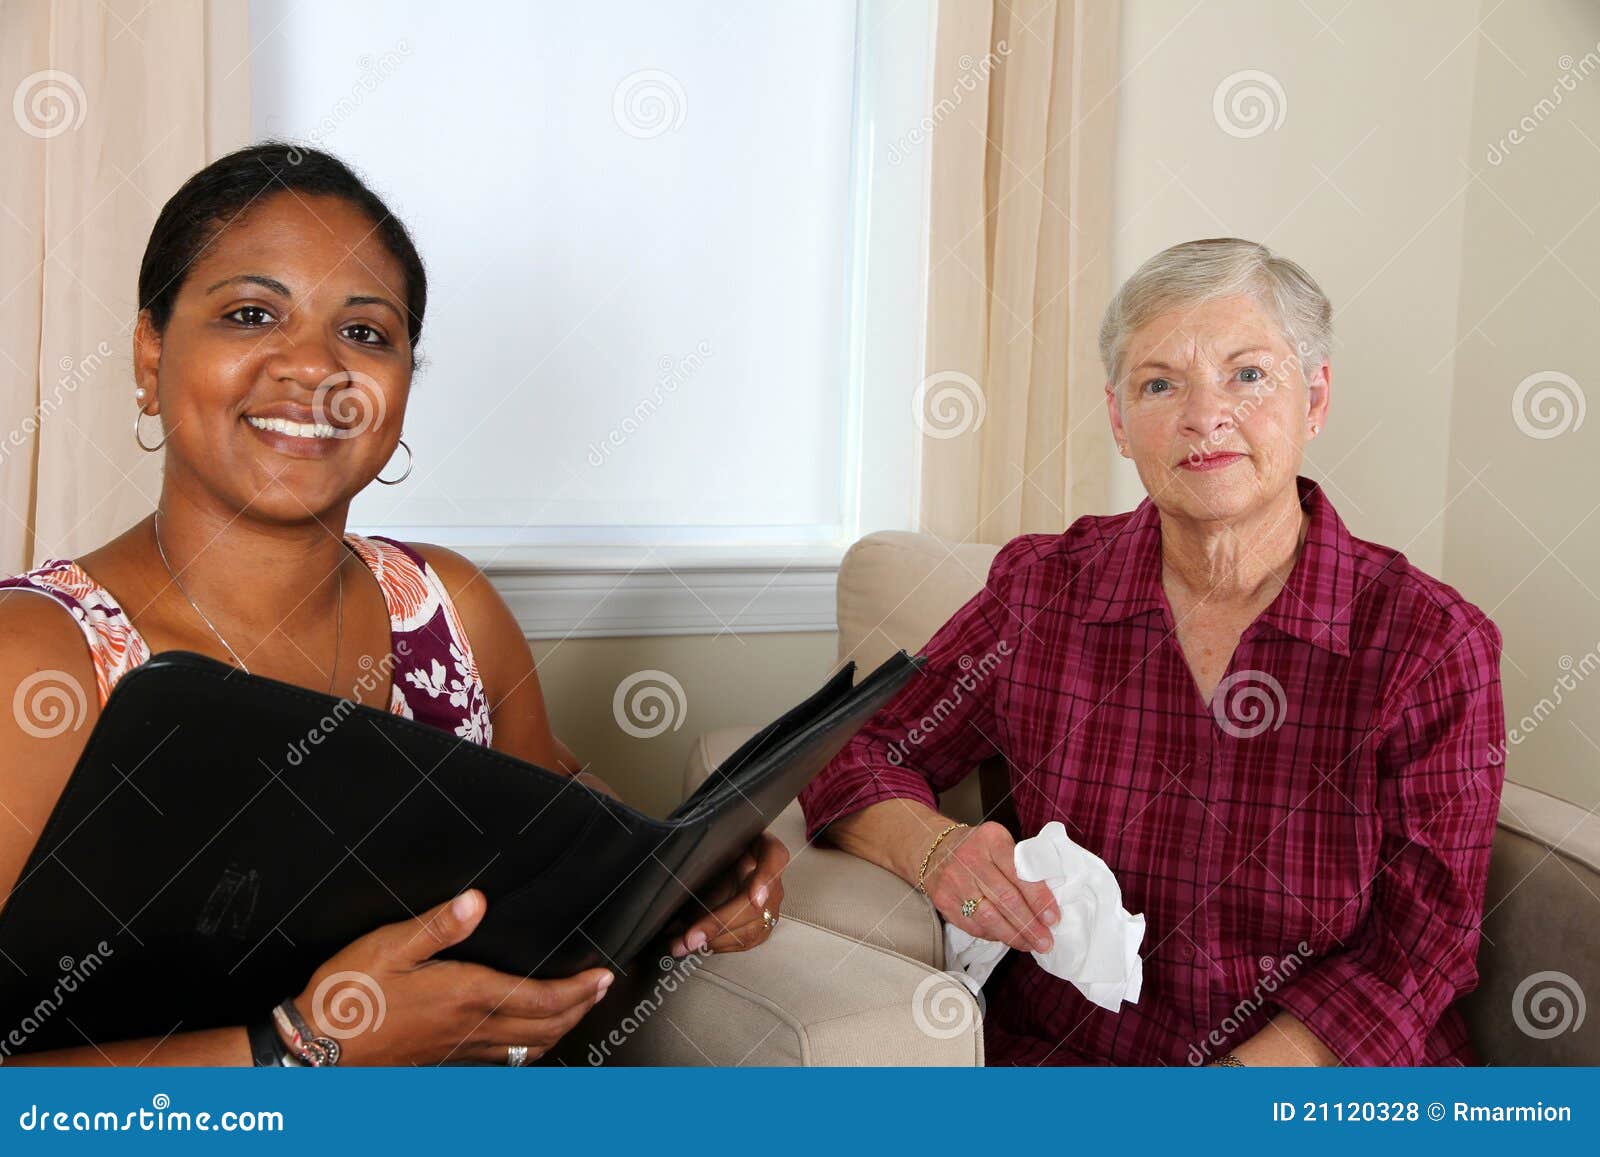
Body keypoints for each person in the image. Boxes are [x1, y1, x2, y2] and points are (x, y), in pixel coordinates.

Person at [0, 143, 785, 1067]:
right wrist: (304, 1047)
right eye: (252, 315)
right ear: (150, 350)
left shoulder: (449, 612)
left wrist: (696, 872)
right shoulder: (38, 661)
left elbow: (563, 864)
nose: (315, 369)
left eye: (365, 333)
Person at [800, 238, 1506, 1066]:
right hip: (1070, 1062)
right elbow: (849, 751)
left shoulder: (1429, 641)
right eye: (1161, 383)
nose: (1206, 416)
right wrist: (937, 849)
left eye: (1248, 375)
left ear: (1314, 400)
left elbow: (1421, 949)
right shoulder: (1043, 591)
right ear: (1119, 421)